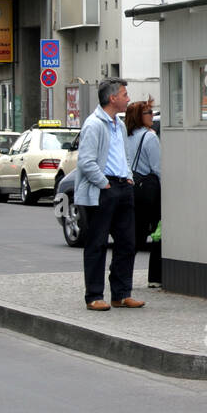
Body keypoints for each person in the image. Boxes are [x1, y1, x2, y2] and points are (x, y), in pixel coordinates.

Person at [76, 78, 143, 310]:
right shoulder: (94, 124)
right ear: (112, 98)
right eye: (125, 94)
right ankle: (94, 296)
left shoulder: (120, 124)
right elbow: (85, 161)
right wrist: (104, 184)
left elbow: (124, 154)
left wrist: (129, 177)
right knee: (97, 244)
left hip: (123, 186)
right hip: (103, 190)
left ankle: (121, 294)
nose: (128, 98)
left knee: (127, 243)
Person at [125, 99, 162, 289]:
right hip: (149, 191)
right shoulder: (149, 138)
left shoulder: (127, 136)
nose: (153, 116)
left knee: (135, 235)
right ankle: (155, 277)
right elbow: (157, 168)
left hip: (132, 188)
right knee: (158, 232)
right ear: (140, 117)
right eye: (149, 113)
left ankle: (121, 273)